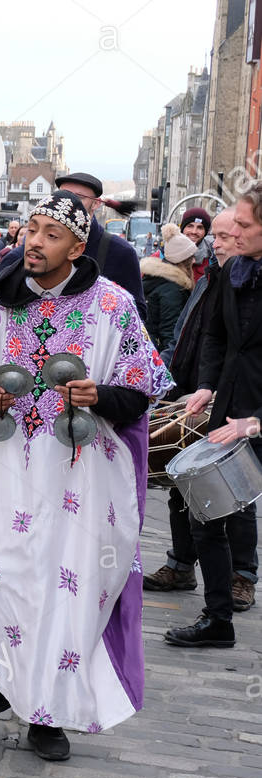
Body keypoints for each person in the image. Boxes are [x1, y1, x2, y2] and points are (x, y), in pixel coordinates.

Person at [0, 189, 173, 761]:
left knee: (61, 585)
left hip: (80, 473)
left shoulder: (112, 304)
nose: (35, 242)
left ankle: (49, 710)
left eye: (50, 234)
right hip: (8, 461)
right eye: (31, 230)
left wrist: (102, 396)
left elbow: (141, 388)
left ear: (76, 245)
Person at [144, 207, 257, 612]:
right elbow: (205, 335)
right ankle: (183, 567)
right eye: (220, 235)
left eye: (232, 232)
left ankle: (241, 576)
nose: (220, 241)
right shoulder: (216, 275)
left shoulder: (240, 277)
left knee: (237, 490)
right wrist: (197, 385)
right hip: (202, 390)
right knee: (183, 483)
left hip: (244, 404)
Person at [169, 184, 262, 649]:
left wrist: (255, 421)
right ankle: (217, 618)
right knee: (206, 510)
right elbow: (216, 337)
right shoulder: (233, 271)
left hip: (256, 414)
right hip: (229, 407)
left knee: (240, 510)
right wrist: (207, 385)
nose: (232, 233)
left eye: (244, 226)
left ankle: (243, 580)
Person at [0, 171, 148, 324]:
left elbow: (136, 316)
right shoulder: (18, 258)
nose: (68, 203)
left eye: (78, 197)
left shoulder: (120, 253)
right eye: (62, 196)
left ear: (96, 203)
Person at [140, 223, 197, 351]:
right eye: (190, 258)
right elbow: (170, 333)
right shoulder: (173, 289)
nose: (194, 261)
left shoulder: (159, 279)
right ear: (183, 260)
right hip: (162, 356)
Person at [180, 206, 212, 282]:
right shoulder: (163, 255)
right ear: (182, 229)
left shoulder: (214, 259)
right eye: (190, 226)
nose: (194, 232)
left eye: (200, 227)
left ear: (205, 232)